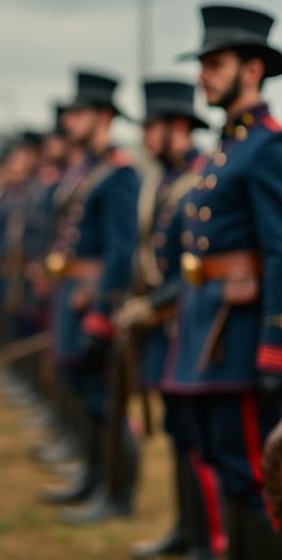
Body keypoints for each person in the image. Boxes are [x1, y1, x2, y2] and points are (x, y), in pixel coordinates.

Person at [165, 3, 282, 558]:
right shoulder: (229, 149)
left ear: (252, 69)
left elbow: (281, 251)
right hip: (209, 325)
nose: (203, 76)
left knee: (251, 474)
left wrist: (274, 348)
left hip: (242, 334)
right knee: (221, 459)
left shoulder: (268, 146)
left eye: (215, 63)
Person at [121, 79, 225, 560]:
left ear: (177, 128)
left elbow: (197, 268)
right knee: (179, 433)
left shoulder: (198, 181)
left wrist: (154, 304)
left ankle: (210, 538)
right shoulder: (163, 182)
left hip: (190, 324)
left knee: (199, 438)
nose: (145, 138)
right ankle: (187, 528)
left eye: (151, 129)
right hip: (168, 326)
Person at [44, 69, 141, 525]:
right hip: (74, 292)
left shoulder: (120, 173)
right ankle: (90, 478)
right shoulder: (89, 170)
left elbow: (121, 252)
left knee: (106, 400)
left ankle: (116, 493)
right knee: (83, 394)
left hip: (93, 297)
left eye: (78, 113)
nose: (70, 121)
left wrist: (103, 311)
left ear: (102, 117)